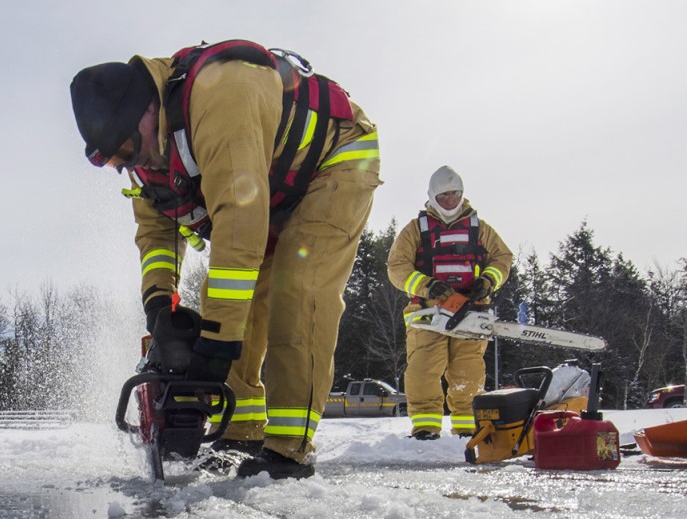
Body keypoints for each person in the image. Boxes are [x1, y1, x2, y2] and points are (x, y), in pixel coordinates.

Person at [70, 40, 381, 478]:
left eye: (124, 149)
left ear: (145, 110)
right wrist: (159, 303)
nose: (128, 164)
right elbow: (157, 235)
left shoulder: (221, 95)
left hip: (333, 162)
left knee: (297, 289)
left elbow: (239, 220)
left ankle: (289, 449)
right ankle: (242, 429)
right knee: (226, 300)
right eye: (115, 161)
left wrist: (216, 343)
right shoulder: (147, 158)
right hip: (271, 191)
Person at [387, 166, 512, 439]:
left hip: (471, 311)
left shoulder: (480, 228)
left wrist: (488, 281)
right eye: (444, 196)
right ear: (432, 196)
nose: (450, 201)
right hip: (427, 311)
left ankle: (468, 430)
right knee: (422, 369)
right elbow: (396, 266)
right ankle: (425, 428)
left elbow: (503, 258)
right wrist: (427, 285)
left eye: (455, 194)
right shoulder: (415, 230)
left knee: (467, 370)